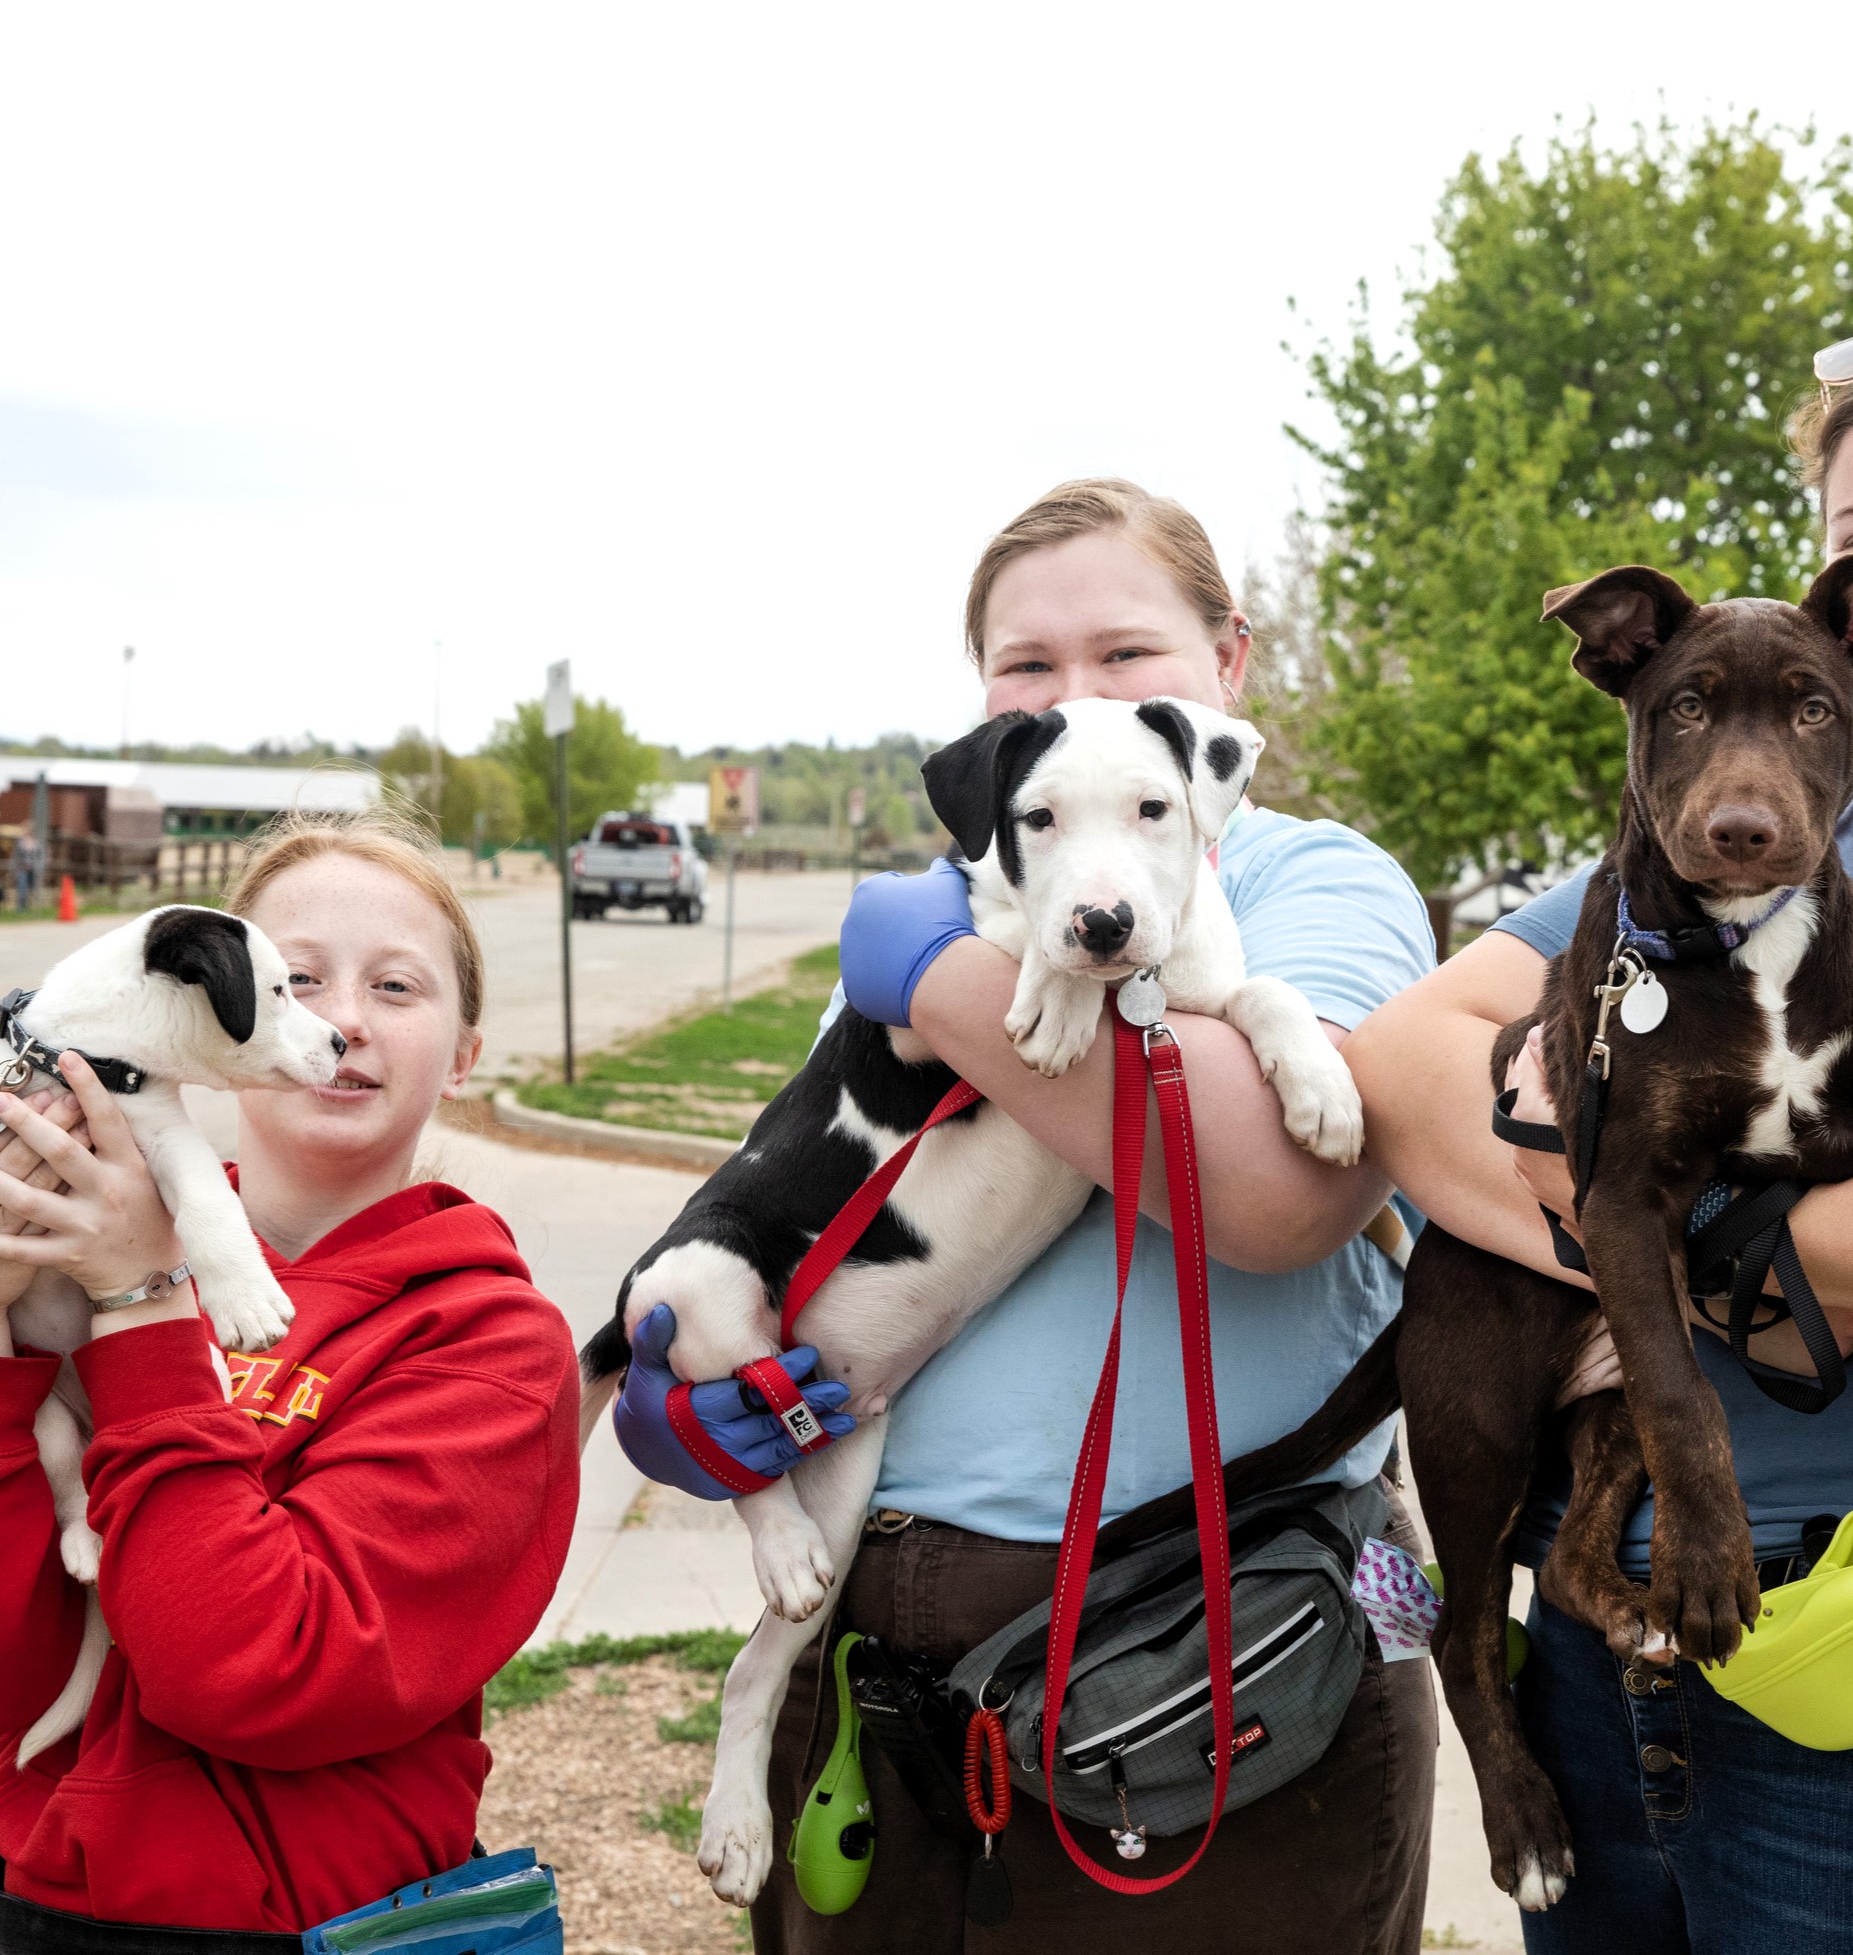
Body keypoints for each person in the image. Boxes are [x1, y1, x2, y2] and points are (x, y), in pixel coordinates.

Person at [616, 479, 1438, 1952]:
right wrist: (692, 1394)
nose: (1078, 693)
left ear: (1227, 665)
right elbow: (818, 1176)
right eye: (1027, 666)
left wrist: (934, 981)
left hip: (1219, 1643)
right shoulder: (957, 901)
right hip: (875, 1659)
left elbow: (1272, 1192)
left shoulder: (1310, 878)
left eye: (1126, 651)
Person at [1344, 321, 1853, 1953]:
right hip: (1609, 1653)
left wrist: (1712, 1240)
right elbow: (1402, 1069)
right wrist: (1588, 1146)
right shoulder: (1749, 843)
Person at [0, 809, 581, 1948]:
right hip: (32, 1888)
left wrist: (144, 1302)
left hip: (294, 1923)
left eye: (399, 987)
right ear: (191, 1018)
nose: (339, 1017)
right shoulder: (59, 1247)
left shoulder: (492, 1344)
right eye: (297, 975)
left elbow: (255, 1671)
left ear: (465, 1055)